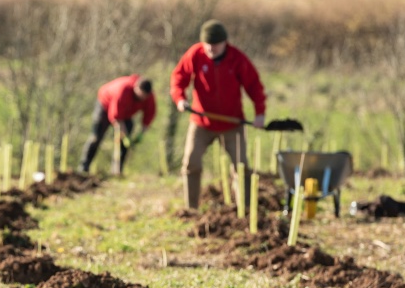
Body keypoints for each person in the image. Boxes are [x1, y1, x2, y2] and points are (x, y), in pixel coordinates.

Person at [170, 20, 266, 209]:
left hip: (232, 124)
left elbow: (254, 85)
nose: (211, 49)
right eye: (207, 46)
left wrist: (259, 113)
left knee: (241, 167)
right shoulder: (195, 54)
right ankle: (191, 208)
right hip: (201, 122)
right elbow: (178, 78)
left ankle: (244, 210)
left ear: (224, 43)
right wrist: (180, 99)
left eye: (215, 46)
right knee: (191, 163)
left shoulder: (237, 59)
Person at [79, 74, 155, 173]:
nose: (143, 98)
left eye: (145, 96)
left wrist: (142, 133)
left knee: (124, 143)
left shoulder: (149, 97)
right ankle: (84, 167)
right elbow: (115, 117)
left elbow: (149, 115)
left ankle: (117, 171)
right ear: (136, 88)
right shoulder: (123, 90)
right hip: (105, 105)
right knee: (96, 137)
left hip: (126, 113)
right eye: (141, 95)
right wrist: (125, 135)